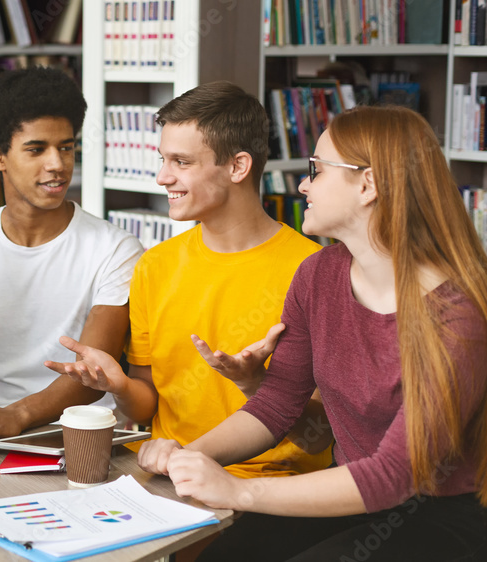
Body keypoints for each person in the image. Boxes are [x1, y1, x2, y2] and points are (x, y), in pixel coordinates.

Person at [144, 106, 487, 561]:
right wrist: (186, 459)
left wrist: (240, 493)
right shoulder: (318, 275)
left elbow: (394, 474)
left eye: (317, 171)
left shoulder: (459, 313)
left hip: (442, 514)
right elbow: (275, 404)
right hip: (348, 493)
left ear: (369, 185)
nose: (303, 185)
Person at [49, 82, 332, 483]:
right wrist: (120, 387)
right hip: (162, 474)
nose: (163, 177)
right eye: (163, 159)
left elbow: (320, 436)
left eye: (181, 162)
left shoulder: (313, 270)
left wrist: (258, 384)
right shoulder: (155, 266)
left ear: (237, 167)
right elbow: (146, 406)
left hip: (266, 484)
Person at [0, 66, 144, 446]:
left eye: (67, 147)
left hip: (85, 434)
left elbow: (94, 372)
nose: (57, 164)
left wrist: (19, 414)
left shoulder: (116, 249)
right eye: (37, 149)